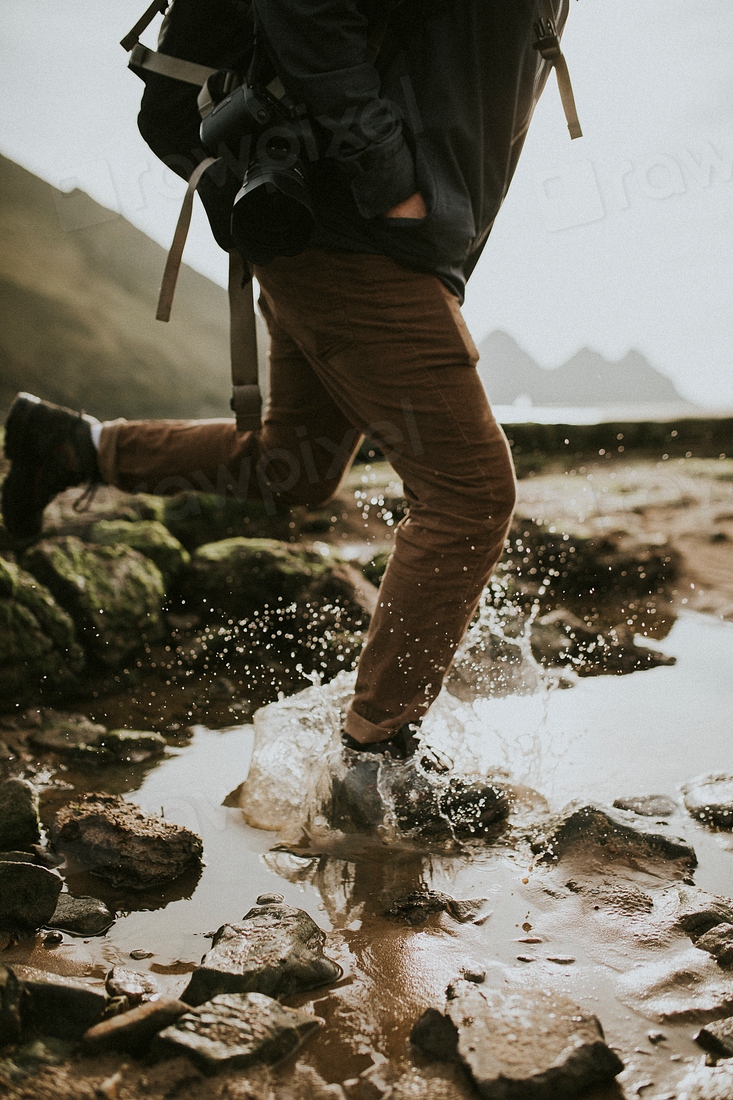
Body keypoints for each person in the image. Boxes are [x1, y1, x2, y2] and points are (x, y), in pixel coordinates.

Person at [2, 0, 571, 759]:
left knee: (292, 464)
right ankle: (373, 766)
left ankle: (73, 445)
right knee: (468, 493)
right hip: (353, 231)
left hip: (332, 229)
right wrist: (389, 181)